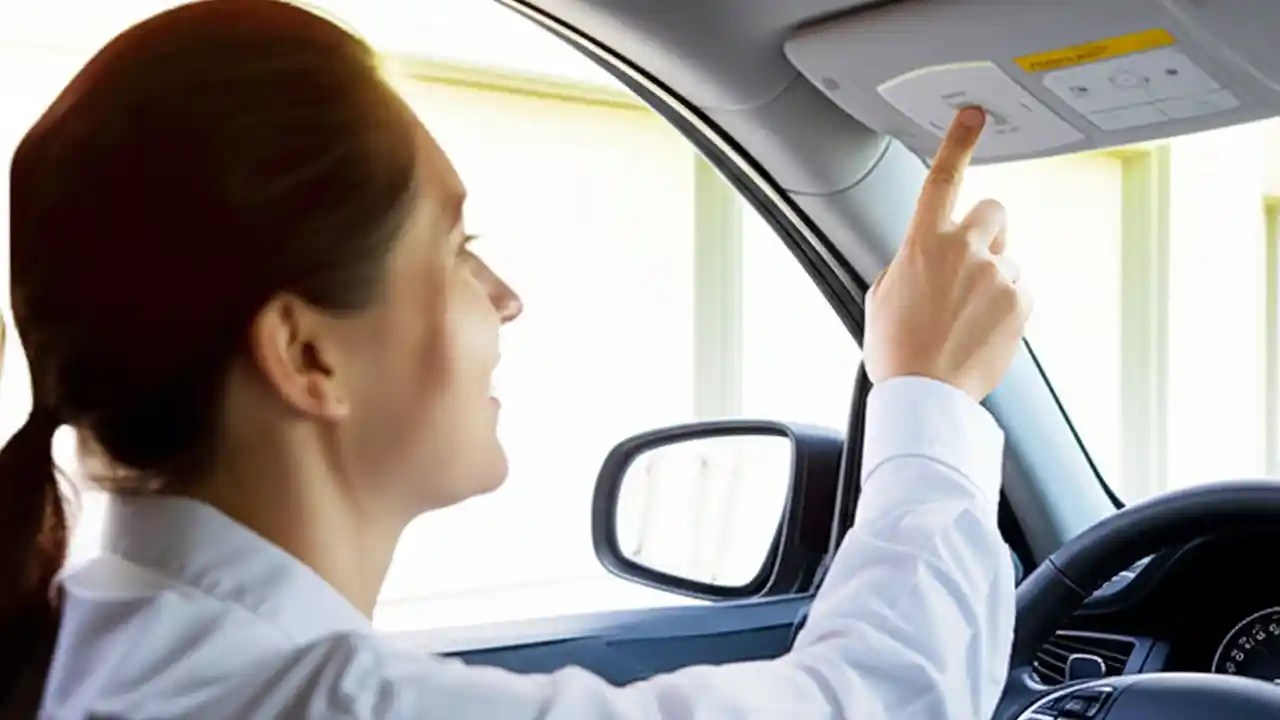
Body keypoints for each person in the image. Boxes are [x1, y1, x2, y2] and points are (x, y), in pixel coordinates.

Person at [0, 1, 1030, 717]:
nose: (504, 300)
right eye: (456, 249)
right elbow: (881, 703)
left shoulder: (96, 651)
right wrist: (925, 399)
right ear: (305, 352)